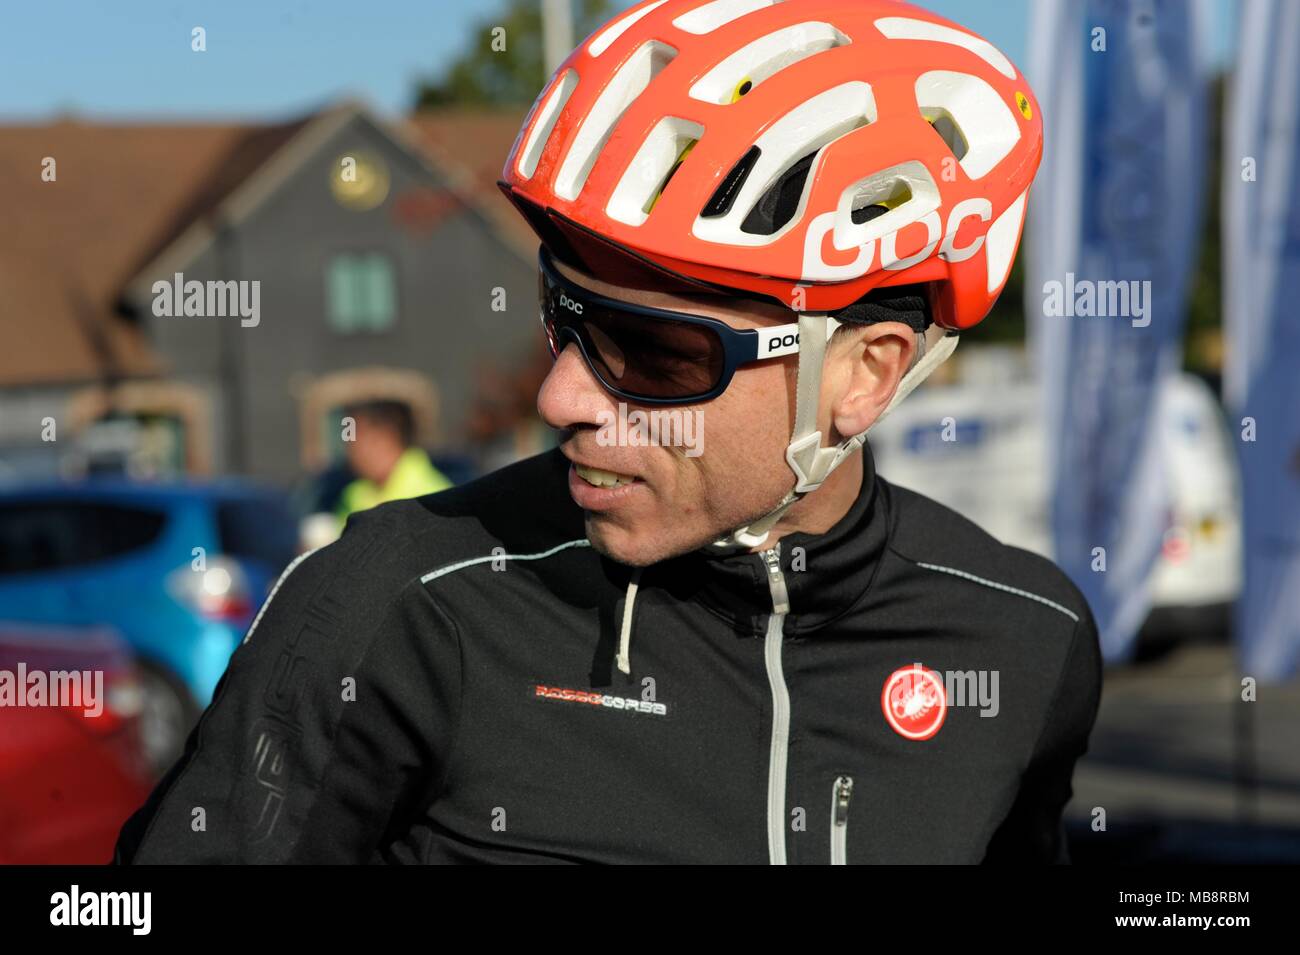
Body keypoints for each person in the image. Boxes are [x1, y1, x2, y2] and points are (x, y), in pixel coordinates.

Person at [114, 0, 1101, 864]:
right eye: (564, 315)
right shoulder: (398, 605)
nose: (563, 397)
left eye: (657, 352)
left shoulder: (1025, 639)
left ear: (862, 373)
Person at [334, 399, 452, 524]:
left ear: (385, 436)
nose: (349, 448)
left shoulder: (433, 495)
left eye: (354, 436)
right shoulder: (353, 493)